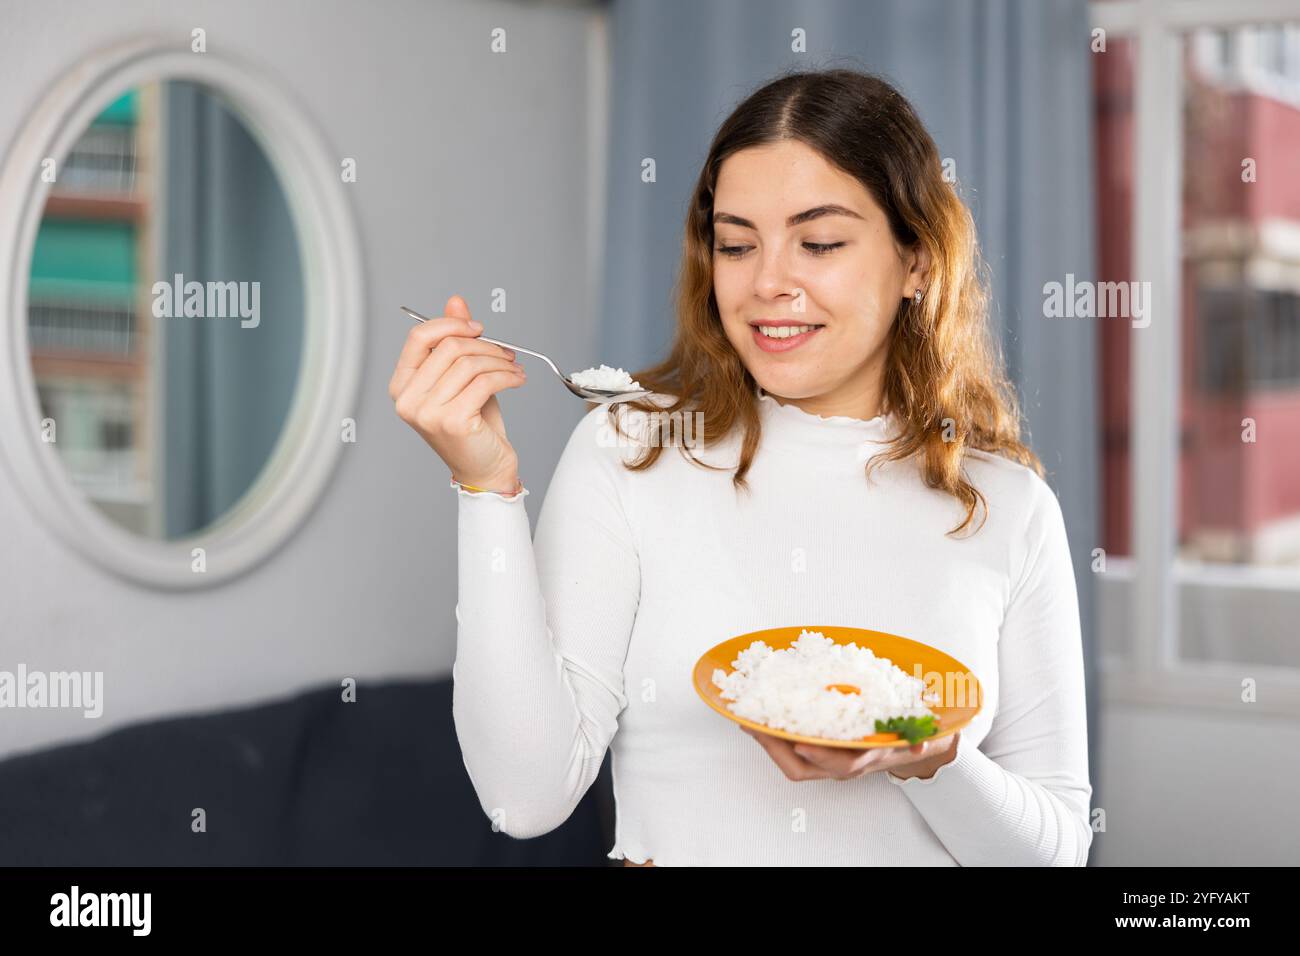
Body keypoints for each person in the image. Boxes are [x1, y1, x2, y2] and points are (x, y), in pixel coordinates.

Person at [389, 68, 1092, 867]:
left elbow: (1056, 853)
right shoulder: (633, 450)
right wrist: (486, 490)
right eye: (736, 243)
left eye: (820, 243)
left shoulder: (1005, 504)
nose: (767, 284)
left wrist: (933, 759)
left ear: (918, 261)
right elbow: (524, 798)